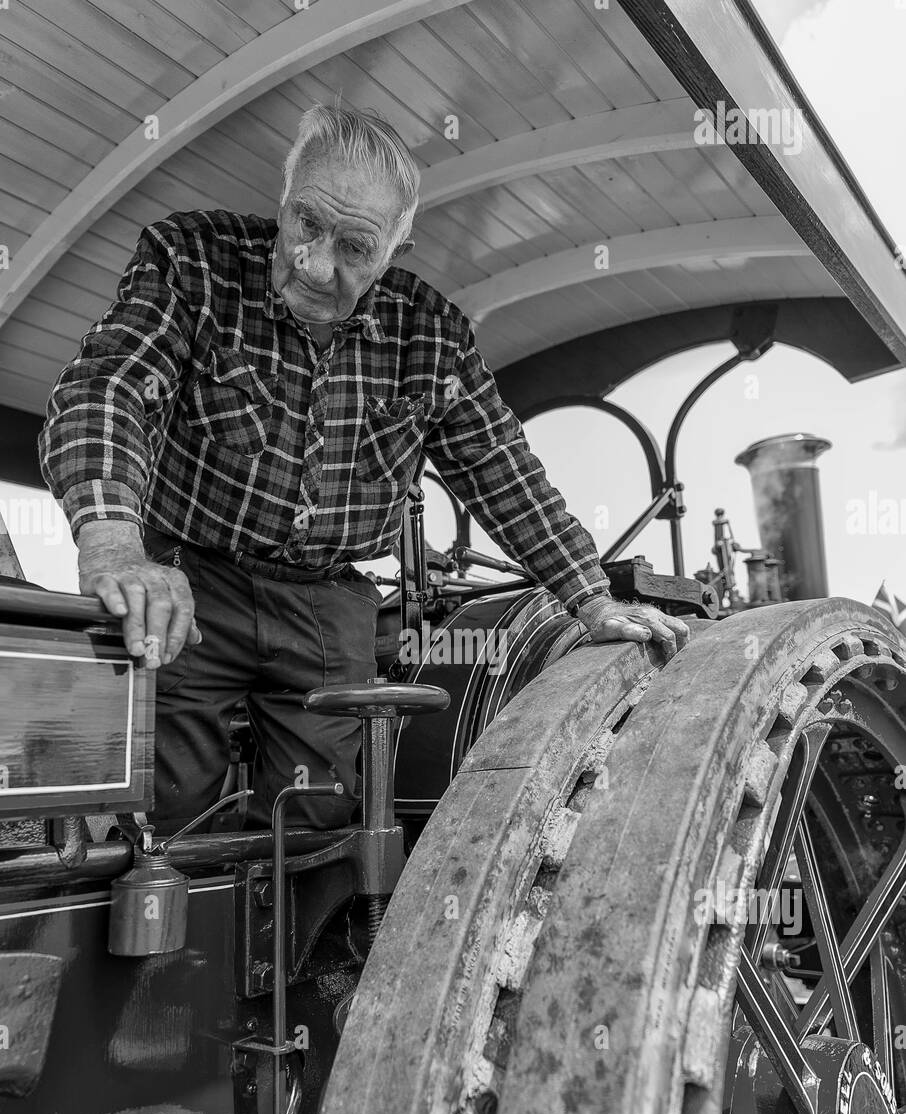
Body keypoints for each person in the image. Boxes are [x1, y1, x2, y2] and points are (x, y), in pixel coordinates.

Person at [40, 102, 688, 835]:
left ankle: (288, 946)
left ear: (395, 251)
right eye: (305, 225)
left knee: (319, 815)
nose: (317, 264)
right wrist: (114, 544)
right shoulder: (191, 261)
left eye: (354, 246)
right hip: (190, 581)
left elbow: (502, 471)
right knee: (155, 808)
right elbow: (109, 388)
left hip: (326, 604)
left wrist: (592, 598)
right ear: (282, 201)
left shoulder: (433, 336)